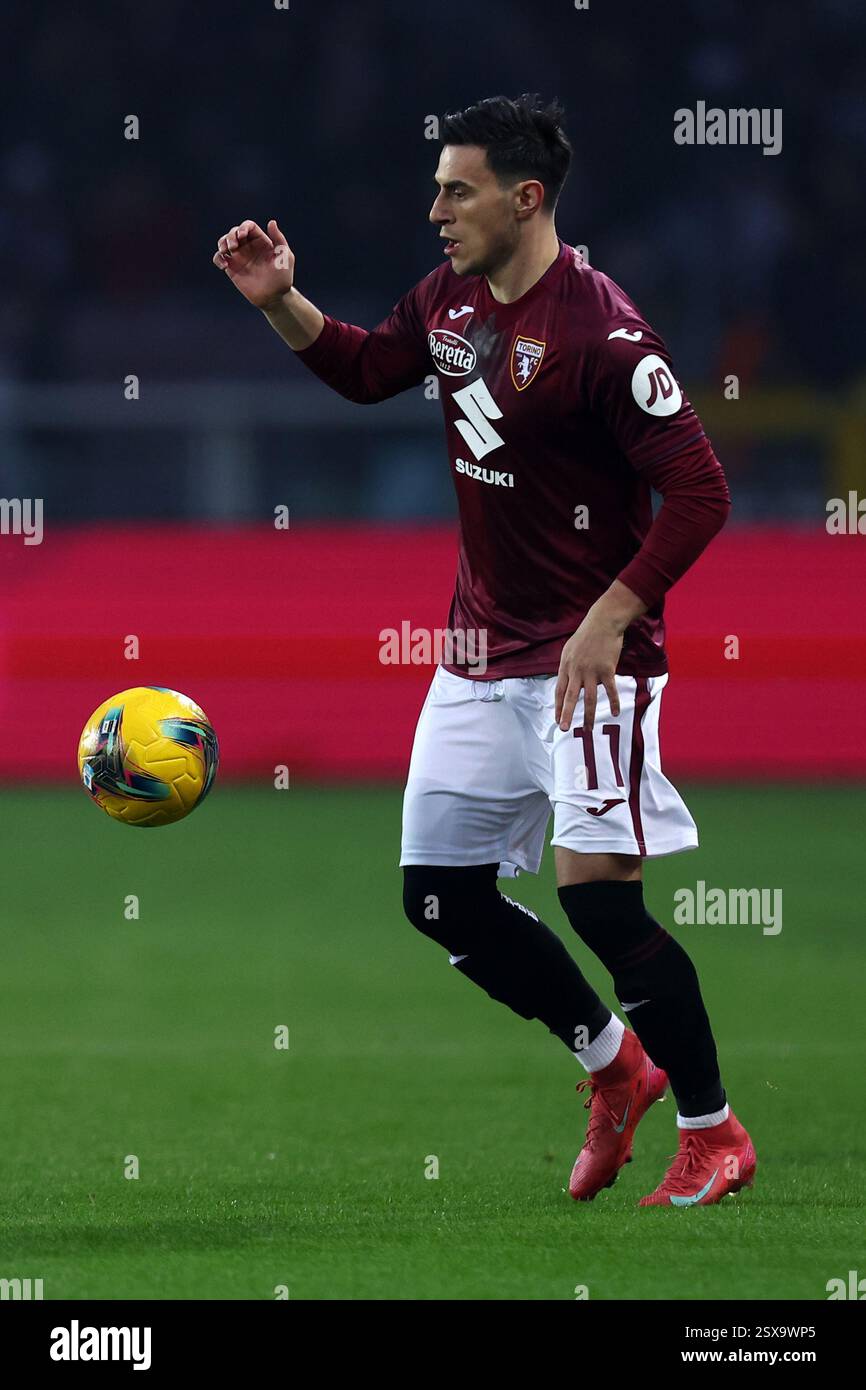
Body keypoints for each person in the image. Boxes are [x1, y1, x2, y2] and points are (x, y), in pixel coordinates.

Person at [213, 93, 756, 1207]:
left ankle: (712, 1132)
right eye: (436, 189)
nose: (435, 211)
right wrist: (281, 304)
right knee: (436, 897)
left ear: (525, 198)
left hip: (587, 663)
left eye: (455, 191)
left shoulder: (603, 334)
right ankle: (615, 1068)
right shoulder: (451, 300)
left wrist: (613, 613)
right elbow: (369, 370)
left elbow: (699, 489)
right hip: (474, 653)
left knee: (601, 903)